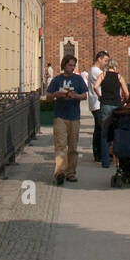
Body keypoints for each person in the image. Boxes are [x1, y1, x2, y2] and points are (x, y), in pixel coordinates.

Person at [47, 55, 88, 185]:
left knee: (73, 146)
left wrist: (75, 96)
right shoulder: (57, 80)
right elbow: (48, 96)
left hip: (74, 116)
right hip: (60, 116)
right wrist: (56, 95)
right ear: (64, 65)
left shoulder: (78, 79)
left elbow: (84, 95)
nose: (72, 67)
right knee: (60, 145)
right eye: (70, 65)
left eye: (73, 65)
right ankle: (60, 172)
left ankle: (71, 172)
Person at [97, 56, 127, 168]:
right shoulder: (119, 77)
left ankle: (105, 161)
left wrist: (100, 96)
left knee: (105, 133)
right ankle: (118, 160)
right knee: (117, 132)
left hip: (105, 104)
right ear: (115, 66)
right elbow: (127, 92)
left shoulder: (103, 75)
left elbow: (95, 87)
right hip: (116, 105)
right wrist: (124, 99)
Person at [86, 50, 109, 163]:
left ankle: (98, 153)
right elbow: (106, 79)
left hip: (96, 103)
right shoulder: (96, 71)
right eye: (105, 60)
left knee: (98, 129)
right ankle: (98, 154)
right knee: (100, 129)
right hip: (97, 103)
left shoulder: (94, 70)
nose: (106, 63)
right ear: (99, 59)